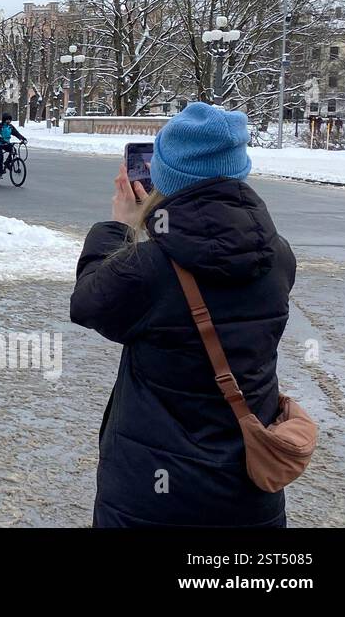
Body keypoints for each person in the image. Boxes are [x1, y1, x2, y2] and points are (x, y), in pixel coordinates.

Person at [69, 103, 294, 527]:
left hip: (154, 498)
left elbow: (87, 304)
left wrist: (120, 226)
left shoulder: (149, 265)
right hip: (249, 486)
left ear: (166, 177)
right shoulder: (278, 254)